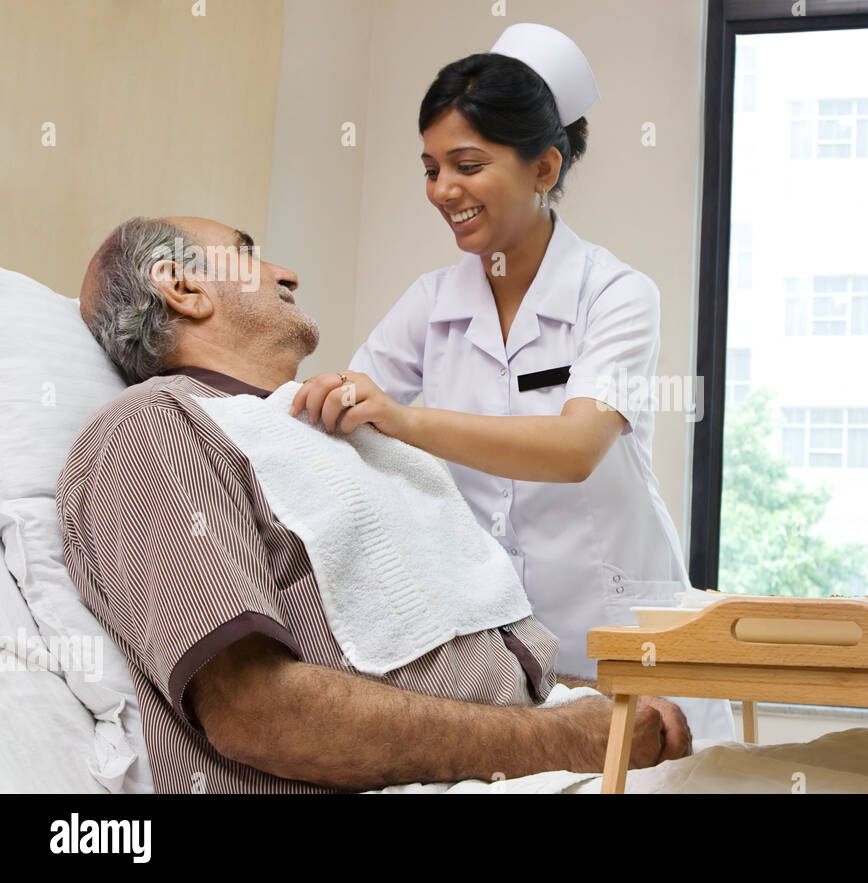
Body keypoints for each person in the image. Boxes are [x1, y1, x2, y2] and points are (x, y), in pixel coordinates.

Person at [58, 215, 691, 793]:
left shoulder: (330, 430)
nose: (287, 273)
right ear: (182, 288)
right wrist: (570, 737)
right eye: (248, 254)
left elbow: (476, 667)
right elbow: (255, 710)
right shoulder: (150, 431)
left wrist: (596, 706)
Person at [291, 23, 735, 741]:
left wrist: (403, 419)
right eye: (431, 167)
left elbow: (574, 448)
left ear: (544, 168)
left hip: (619, 632)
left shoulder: (617, 294)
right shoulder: (433, 302)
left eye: (467, 164)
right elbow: (343, 402)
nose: (443, 190)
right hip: (495, 648)